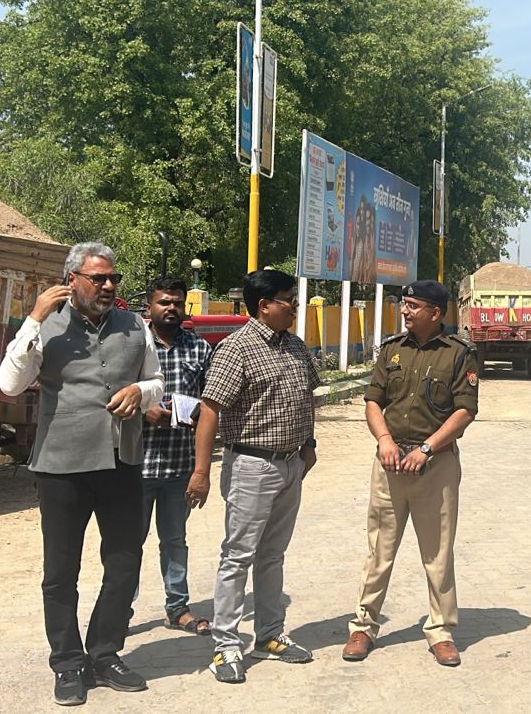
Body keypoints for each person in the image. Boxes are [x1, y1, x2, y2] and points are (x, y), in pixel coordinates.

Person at [0, 242, 164, 706]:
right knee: (60, 572)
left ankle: (105, 653)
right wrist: (32, 319)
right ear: (72, 279)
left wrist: (140, 391)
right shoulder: (43, 326)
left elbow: (158, 381)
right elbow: (9, 385)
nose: (110, 286)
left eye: (114, 278)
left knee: (124, 562)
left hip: (121, 461)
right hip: (62, 466)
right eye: (99, 279)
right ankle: (68, 663)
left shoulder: (135, 325)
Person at [188, 269, 321, 684]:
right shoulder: (236, 350)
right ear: (264, 305)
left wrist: (308, 444)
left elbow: (305, 398)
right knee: (238, 556)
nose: (294, 306)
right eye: (287, 299)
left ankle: (269, 635)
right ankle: (226, 646)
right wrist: (201, 471)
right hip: (250, 466)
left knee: (273, 555)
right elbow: (210, 411)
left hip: (289, 465)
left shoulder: (296, 347)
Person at [341, 279, 478, 667]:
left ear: (436, 313)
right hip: (389, 462)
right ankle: (363, 626)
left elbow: (465, 410)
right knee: (379, 551)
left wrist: (427, 448)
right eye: (405, 304)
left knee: (437, 551)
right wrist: (383, 439)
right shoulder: (392, 350)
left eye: (413, 306)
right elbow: (373, 400)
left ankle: (441, 630)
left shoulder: (459, 354)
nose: (405, 311)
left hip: (435, 465)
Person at [138, 277, 213, 635]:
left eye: (177, 302)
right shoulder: (133, 344)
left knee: (174, 540)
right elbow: (107, 393)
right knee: (126, 543)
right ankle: (118, 609)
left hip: (179, 465)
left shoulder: (199, 349)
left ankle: (177, 607)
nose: (171, 308)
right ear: (149, 307)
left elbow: (212, 408)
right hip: (134, 466)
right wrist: (142, 410)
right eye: (164, 302)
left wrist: (202, 470)